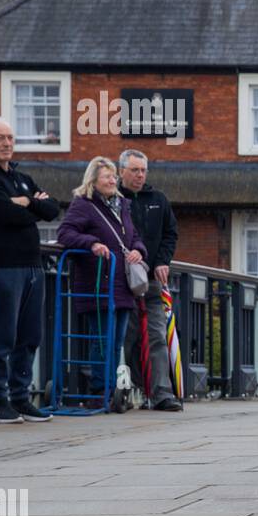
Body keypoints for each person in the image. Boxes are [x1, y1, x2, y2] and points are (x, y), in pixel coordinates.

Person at [0, 116, 59, 424]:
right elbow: (6, 214)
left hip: (33, 266)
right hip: (2, 266)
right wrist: (30, 205)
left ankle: (21, 398)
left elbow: (53, 210)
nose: (7, 143)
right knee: (2, 335)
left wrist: (26, 202)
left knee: (30, 335)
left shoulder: (22, 178)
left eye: (10, 138)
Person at [56, 157, 147, 404]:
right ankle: (100, 390)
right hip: (97, 283)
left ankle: (110, 390)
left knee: (116, 342)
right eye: (107, 176)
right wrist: (92, 243)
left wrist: (138, 249)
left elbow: (133, 235)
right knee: (101, 340)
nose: (112, 180)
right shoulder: (83, 205)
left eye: (113, 176)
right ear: (93, 180)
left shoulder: (122, 205)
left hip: (123, 285)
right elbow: (65, 233)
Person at [118, 149, 182, 413]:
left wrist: (162, 261)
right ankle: (124, 391)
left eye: (143, 170)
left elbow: (171, 233)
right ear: (121, 171)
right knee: (126, 337)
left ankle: (161, 394)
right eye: (134, 170)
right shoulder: (114, 199)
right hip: (121, 281)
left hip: (152, 279)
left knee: (157, 335)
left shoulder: (158, 199)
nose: (140, 175)